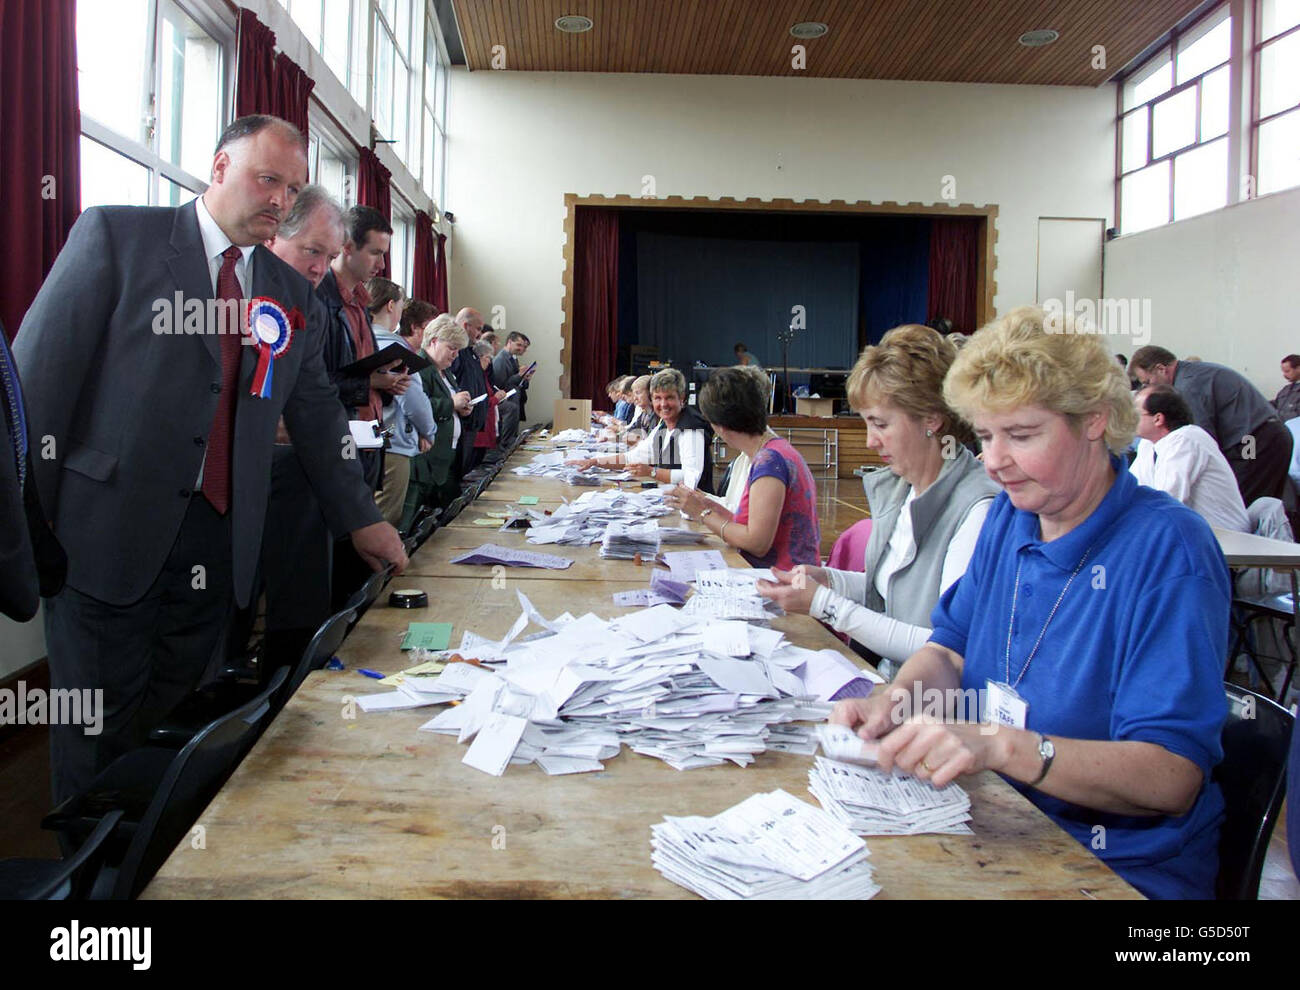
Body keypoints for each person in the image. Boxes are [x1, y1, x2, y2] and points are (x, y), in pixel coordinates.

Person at [13, 114, 406, 802]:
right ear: (219, 168)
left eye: (291, 188)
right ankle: (93, 889)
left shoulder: (288, 295)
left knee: (184, 730)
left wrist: (360, 519)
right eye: (267, 179)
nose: (279, 200)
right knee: (96, 736)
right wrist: (30, 527)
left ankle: (161, 862)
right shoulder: (116, 238)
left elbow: (314, 412)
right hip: (102, 540)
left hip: (219, 546)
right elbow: (35, 389)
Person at [833, 306, 1230, 900]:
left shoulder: (1167, 552)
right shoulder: (1010, 519)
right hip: (1001, 824)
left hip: (1116, 871)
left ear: (1094, 421)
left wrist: (1000, 746)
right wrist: (893, 699)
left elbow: (1171, 776)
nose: (994, 461)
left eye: (1021, 436)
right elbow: (949, 648)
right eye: (987, 435)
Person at [757, 325, 996, 676]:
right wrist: (829, 579)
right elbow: (892, 591)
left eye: (880, 424)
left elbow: (940, 645)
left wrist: (823, 603)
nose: (870, 441)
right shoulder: (903, 488)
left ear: (932, 419)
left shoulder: (977, 509)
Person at [259, 183, 349, 678]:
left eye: (329, 256)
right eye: (312, 251)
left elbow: (316, 404)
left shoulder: (309, 308)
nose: (320, 267)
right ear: (274, 238)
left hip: (293, 481)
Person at [669, 367, 819, 570]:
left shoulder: (769, 462)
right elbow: (748, 523)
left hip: (783, 583)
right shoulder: (772, 452)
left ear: (720, 425)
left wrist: (702, 513)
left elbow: (757, 544)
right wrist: (708, 505)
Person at [1129, 345, 1293, 505]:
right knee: (1260, 506)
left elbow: (1200, 439)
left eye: (1148, 382)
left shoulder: (1189, 386)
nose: (1149, 389)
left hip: (1256, 440)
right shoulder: (1194, 373)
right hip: (1264, 436)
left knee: (1242, 504)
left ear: (1161, 369)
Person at [568, 368, 716, 493]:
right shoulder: (663, 425)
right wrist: (594, 462)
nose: (663, 404)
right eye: (658, 398)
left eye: (669, 398)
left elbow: (691, 478)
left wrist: (652, 472)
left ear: (682, 398)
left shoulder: (691, 429)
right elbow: (632, 457)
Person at [1131, 384, 1250, 533]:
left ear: (1158, 419)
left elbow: (1167, 502)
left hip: (1224, 540)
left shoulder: (1186, 440)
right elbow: (1131, 491)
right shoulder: (1148, 444)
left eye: (1135, 412)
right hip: (1191, 535)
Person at [370, 286, 438, 527]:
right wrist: (428, 431)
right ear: (391, 306)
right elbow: (413, 400)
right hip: (390, 443)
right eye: (400, 306)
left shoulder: (359, 338)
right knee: (384, 520)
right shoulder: (394, 348)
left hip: (360, 441)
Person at [401, 315, 471, 529]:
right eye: (452, 348)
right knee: (411, 521)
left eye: (458, 349)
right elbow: (413, 406)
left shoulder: (446, 372)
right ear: (433, 341)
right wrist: (451, 404)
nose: (455, 354)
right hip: (424, 461)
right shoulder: (418, 367)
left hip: (445, 458)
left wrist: (462, 408)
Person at [489, 331, 534, 457]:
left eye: (524, 347)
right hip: (505, 401)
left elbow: (515, 382)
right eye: (519, 345)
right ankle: (505, 447)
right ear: (509, 342)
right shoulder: (501, 359)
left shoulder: (512, 358)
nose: (522, 349)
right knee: (506, 438)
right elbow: (500, 385)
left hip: (515, 399)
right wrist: (519, 375)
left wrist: (525, 378)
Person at [472, 339, 501, 458]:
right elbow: (477, 401)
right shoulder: (474, 375)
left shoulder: (483, 374)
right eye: (488, 358)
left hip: (487, 423)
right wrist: (496, 398)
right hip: (480, 428)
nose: (489, 362)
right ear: (479, 357)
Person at [1275, 354, 1300, 422]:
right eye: (1283, 372)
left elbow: (1297, 416)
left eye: (1287, 371)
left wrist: (1273, 417)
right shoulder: (1286, 389)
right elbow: (1275, 404)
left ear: (1298, 368)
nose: (1284, 375)